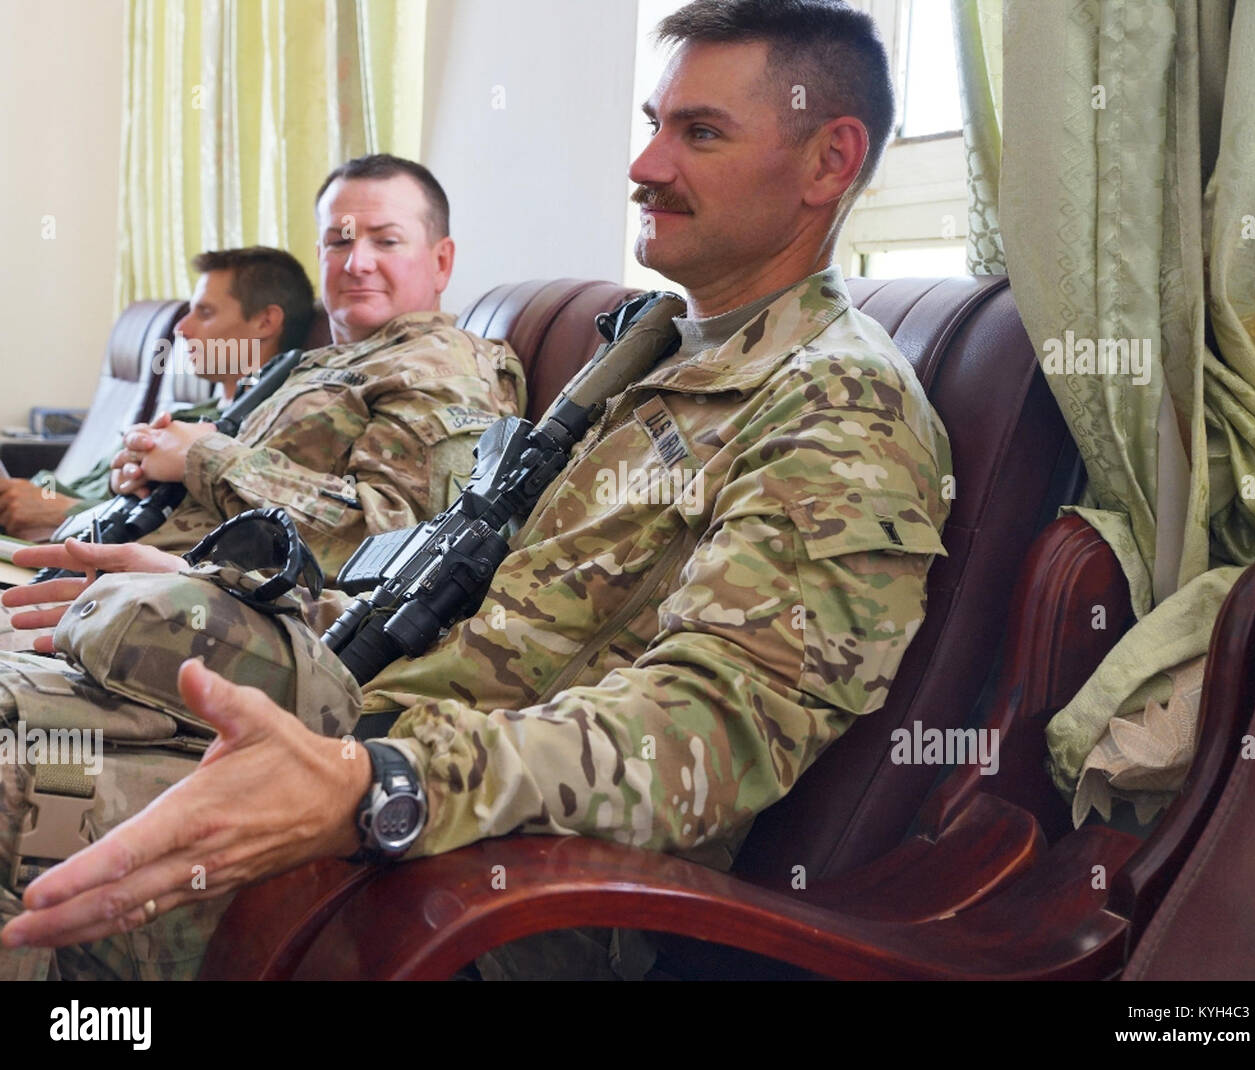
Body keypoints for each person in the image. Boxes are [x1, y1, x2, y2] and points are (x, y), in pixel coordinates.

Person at [0, 0, 948, 981]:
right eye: (652, 125)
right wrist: (209, 586)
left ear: (829, 162)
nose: (645, 166)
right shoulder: (658, 358)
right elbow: (489, 627)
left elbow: (709, 725)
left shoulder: (835, 405)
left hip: (480, 864)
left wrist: (379, 781)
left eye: (699, 133)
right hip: (363, 745)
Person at [110, 153, 524, 584]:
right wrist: (148, 471)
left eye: (386, 241)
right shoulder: (312, 364)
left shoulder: (441, 367)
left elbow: (397, 546)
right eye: (339, 242)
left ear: (441, 262)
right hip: (140, 577)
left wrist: (202, 457)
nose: (356, 263)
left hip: (225, 614)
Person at [0, 246, 315, 542]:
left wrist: (64, 514)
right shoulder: (184, 418)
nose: (181, 329)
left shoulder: (257, 436)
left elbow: (190, 535)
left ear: (265, 321)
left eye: (204, 312)